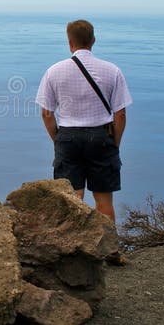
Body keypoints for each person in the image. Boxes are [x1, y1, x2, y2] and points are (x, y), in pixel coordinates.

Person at [36, 19, 132, 223]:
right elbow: (121, 114)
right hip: (101, 137)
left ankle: (73, 250)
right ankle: (109, 251)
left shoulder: (53, 71)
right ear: (93, 40)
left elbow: (46, 113)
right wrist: (115, 144)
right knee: (104, 203)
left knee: (72, 201)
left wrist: (58, 140)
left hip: (68, 138)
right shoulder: (112, 71)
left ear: (70, 43)